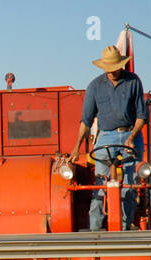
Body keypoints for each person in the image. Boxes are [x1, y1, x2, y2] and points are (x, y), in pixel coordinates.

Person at [56, 45, 146, 231]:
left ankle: (124, 227)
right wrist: (76, 148)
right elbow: (86, 121)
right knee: (99, 185)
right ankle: (95, 231)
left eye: (114, 68)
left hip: (131, 134)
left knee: (130, 185)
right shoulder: (95, 86)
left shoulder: (133, 82)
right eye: (108, 69)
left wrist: (132, 136)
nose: (111, 72)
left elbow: (141, 116)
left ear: (121, 66)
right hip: (106, 136)